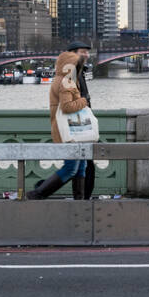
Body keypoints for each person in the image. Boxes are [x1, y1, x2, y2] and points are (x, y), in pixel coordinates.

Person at [28, 42, 96, 200]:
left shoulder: (72, 74)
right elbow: (66, 106)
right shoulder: (68, 78)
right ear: (73, 55)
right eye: (83, 52)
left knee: (82, 167)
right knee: (73, 168)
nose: (86, 55)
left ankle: (81, 201)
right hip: (71, 129)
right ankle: (38, 193)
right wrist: (85, 101)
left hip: (74, 128)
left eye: (87, 52)